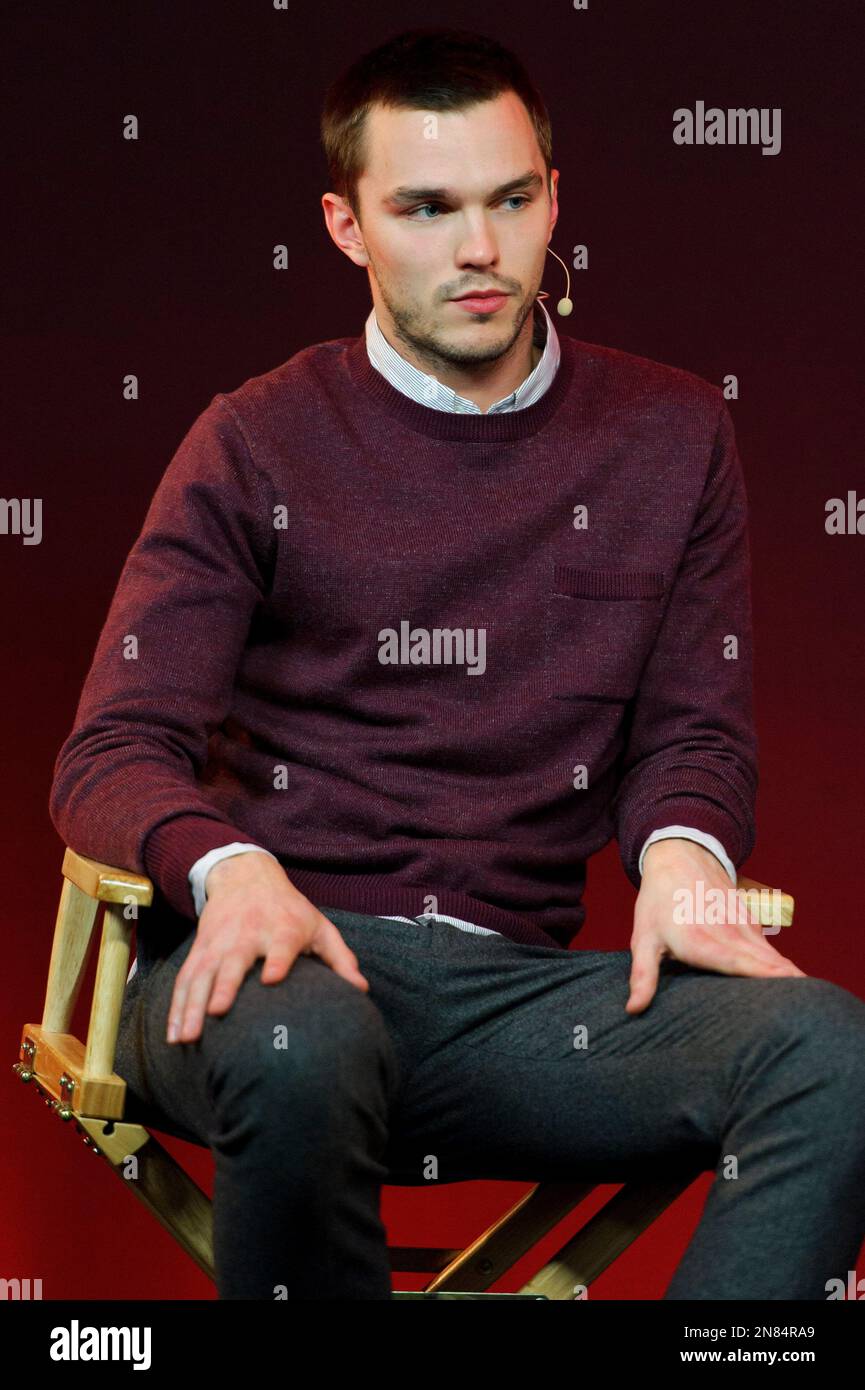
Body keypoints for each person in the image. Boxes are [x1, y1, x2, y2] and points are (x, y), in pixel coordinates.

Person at [50, 27, 865, 1300]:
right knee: (301, 1038)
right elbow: (112, 750)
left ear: (555, 200)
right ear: (346, 226)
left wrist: (683, 858)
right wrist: (233, 871)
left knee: (828, 1050)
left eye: (510, 199)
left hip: (516, 1003)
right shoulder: (254, 441)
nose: (479, 248)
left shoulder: (670, 435)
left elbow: (691, 737)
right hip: (272, 969)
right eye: (425, 209)